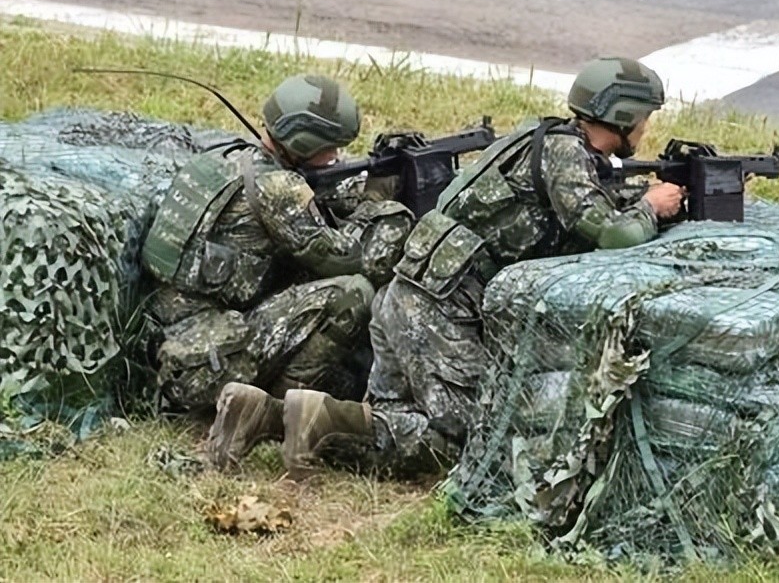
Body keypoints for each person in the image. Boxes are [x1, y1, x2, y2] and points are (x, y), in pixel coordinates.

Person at [204, 57, 685, 477]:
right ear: (623, 115)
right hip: (435, 310)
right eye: (644, 118)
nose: (646, 129)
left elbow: (584, 203)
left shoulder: (545, 139)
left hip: (410, 294)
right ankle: (315, 423)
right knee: (472, 439)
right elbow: (615, 235)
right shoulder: (565, 153)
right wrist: (651, 206)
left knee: (397, 420)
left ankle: (267, 416)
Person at [142, 74, 414, 420]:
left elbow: (320, 197)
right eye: (330, 147)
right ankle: (276, 411)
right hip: (207, 364)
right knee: (352, 294)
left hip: (166, 342)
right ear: (303, 141)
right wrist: (382, 207)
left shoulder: (226, 158)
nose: (337, 156)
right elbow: (350, 260)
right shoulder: (277, 187)